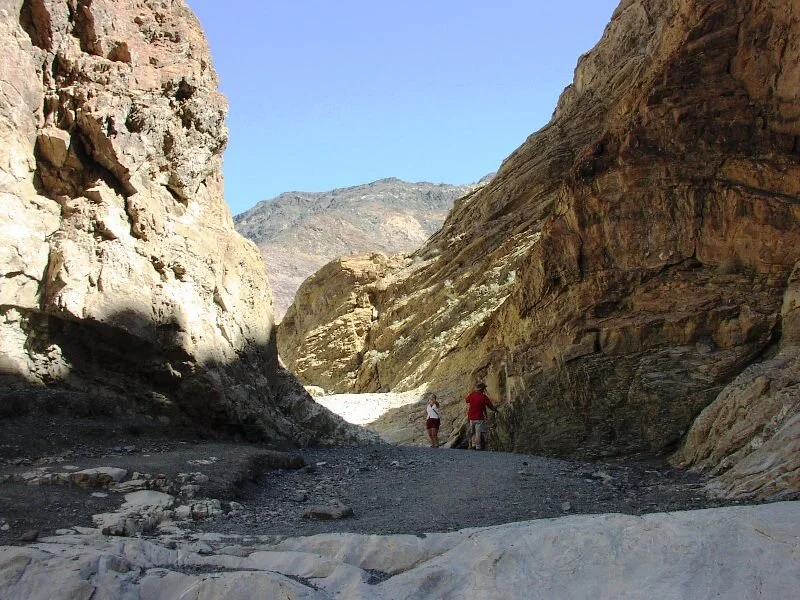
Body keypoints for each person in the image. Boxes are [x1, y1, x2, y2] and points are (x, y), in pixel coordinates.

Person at [465, 382, 496, 450]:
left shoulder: (472, 395)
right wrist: (495, 410)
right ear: (482, 389)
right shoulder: (483, 397)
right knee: (478, 433)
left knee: (473, 432)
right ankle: (478, 447)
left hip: (471, 417)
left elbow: (467, 400)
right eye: (484, 388)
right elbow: (490, 406)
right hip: (479, 417)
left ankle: (473, 445)